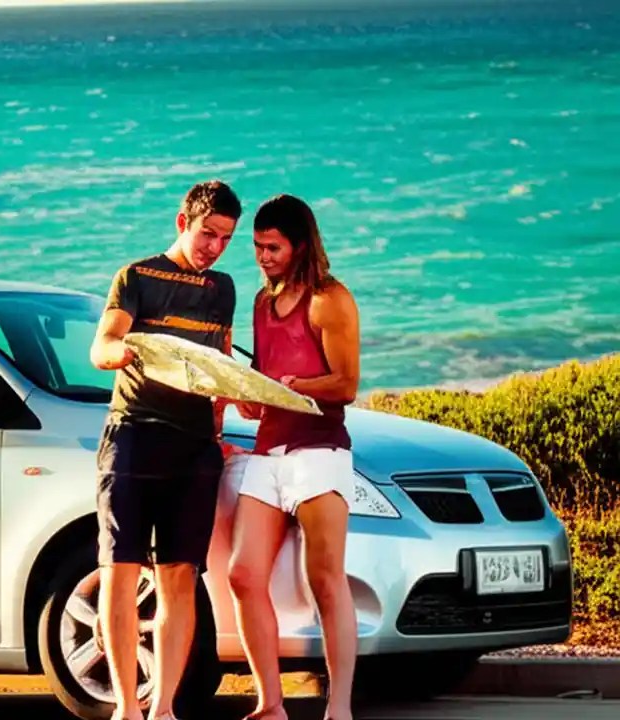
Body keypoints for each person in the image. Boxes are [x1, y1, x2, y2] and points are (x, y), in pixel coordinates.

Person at [89, 179, 241, 720]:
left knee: (180, 576)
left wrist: (224, 423)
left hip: (194, 446)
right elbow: (103, 345)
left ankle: (164, 710)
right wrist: (128, 353)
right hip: (134, 434)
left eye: (226, 239)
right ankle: (126, 708)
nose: (215, 248)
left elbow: (221, 362)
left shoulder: (222, 288)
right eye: (207, 234)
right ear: (183, 223)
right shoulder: (136, 276)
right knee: (121, 570)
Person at [228, 194, 360, 720]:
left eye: (273, 248)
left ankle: (339, 708)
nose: (263, 257)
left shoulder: (330, 299)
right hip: (269, 450)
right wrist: (250, 396)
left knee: (326, 580)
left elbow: (346, 384)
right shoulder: (262, 303)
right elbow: (265, 376)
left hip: (319, 450)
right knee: (242, 575)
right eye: (258, 247)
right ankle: (271, 704)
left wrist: (294, 387)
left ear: (300, 246)